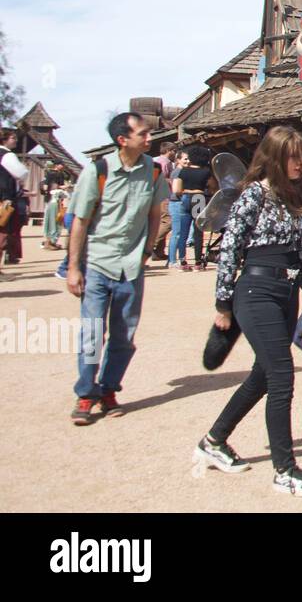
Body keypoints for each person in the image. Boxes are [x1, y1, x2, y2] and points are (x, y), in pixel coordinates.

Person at [195, 126, 302, 497]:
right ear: (274, 158)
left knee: (264, 375)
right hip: (255, 289)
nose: (301, 163)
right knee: (282, 373)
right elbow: (230, 249)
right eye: (293, 156)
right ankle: (285, 469)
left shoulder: (294, 196)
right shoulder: (253, 194)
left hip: (287, 293)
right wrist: (222, 304)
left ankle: (214, 439)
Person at [66, 113, 168, 425]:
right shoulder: (98, 171)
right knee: (93, 333)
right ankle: (86, 393)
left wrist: (148, 250)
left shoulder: (152, 171)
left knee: (124, 335)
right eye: (142, 133)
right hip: (99, 263)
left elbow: (155, 214)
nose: (148, 139)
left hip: (132, 266)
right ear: (122, 139)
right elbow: (80, 221)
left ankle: (109, 389)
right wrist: (73, 267)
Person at [171, 146, 214, 270]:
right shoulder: (206, 172)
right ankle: (197, 262)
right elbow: (212, 187)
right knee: (198, 232)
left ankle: (182, 261)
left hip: (185, 198)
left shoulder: (183, 171)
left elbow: (177, 190)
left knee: (183, 232)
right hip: (199, 198)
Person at [0, 128, 28, 265]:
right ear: (4, 140)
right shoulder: (7, 155)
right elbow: (22, 173)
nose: (16, 140)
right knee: (3, 232)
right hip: (4, 198)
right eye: (13, 138)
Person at [149, 142, 177, 259]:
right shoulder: (164, 163)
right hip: (163, 196)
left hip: (161, 195)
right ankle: (151, 244)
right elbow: (160, 179)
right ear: (169, 151)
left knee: (161, 221)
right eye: (174, 151)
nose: (175, 153)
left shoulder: (161, 162)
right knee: (167, 221)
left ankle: (158, 252)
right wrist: (173, 181)